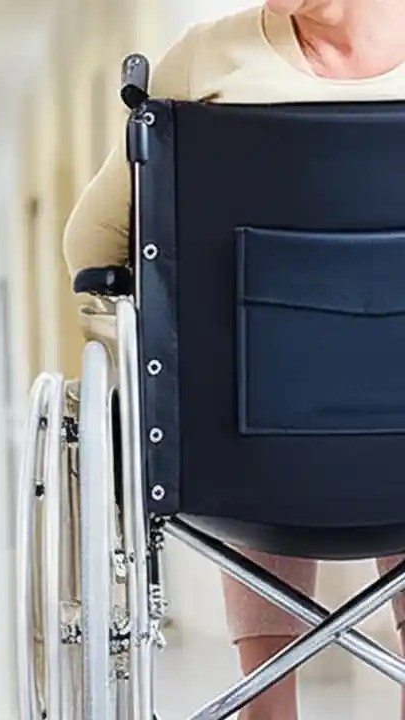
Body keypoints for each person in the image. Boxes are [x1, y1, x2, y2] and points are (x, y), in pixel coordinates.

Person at [63, 1, 405, 718]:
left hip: (245, 456)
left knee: (253, 367)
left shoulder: (206, 63)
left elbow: (92, 250)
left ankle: (266, 704)